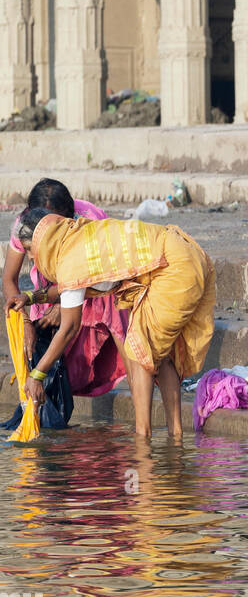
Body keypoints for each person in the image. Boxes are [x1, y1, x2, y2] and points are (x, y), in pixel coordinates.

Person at [10, 207, 215, 439]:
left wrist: (37, 374)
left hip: (173, 268)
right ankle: (175, 437)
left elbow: (69, 328)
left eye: (28, 249)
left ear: (41, 240)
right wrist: (30, 297)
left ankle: (142, 439)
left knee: (139, 351)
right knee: (161, 355)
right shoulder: (73, 240)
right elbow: (71, 289)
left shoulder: (69, 258)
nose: (29, 256)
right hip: (181, 256)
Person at [3, 178, 128, 396]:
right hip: (48, 292)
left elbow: (101, 275)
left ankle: (139, 407)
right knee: (48, 362)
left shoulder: (89, 219)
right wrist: (24, 320)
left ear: (69, 217)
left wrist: (62, 306)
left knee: (111, 323)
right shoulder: (23, 225)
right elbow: (9, 279)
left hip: (94, 288)